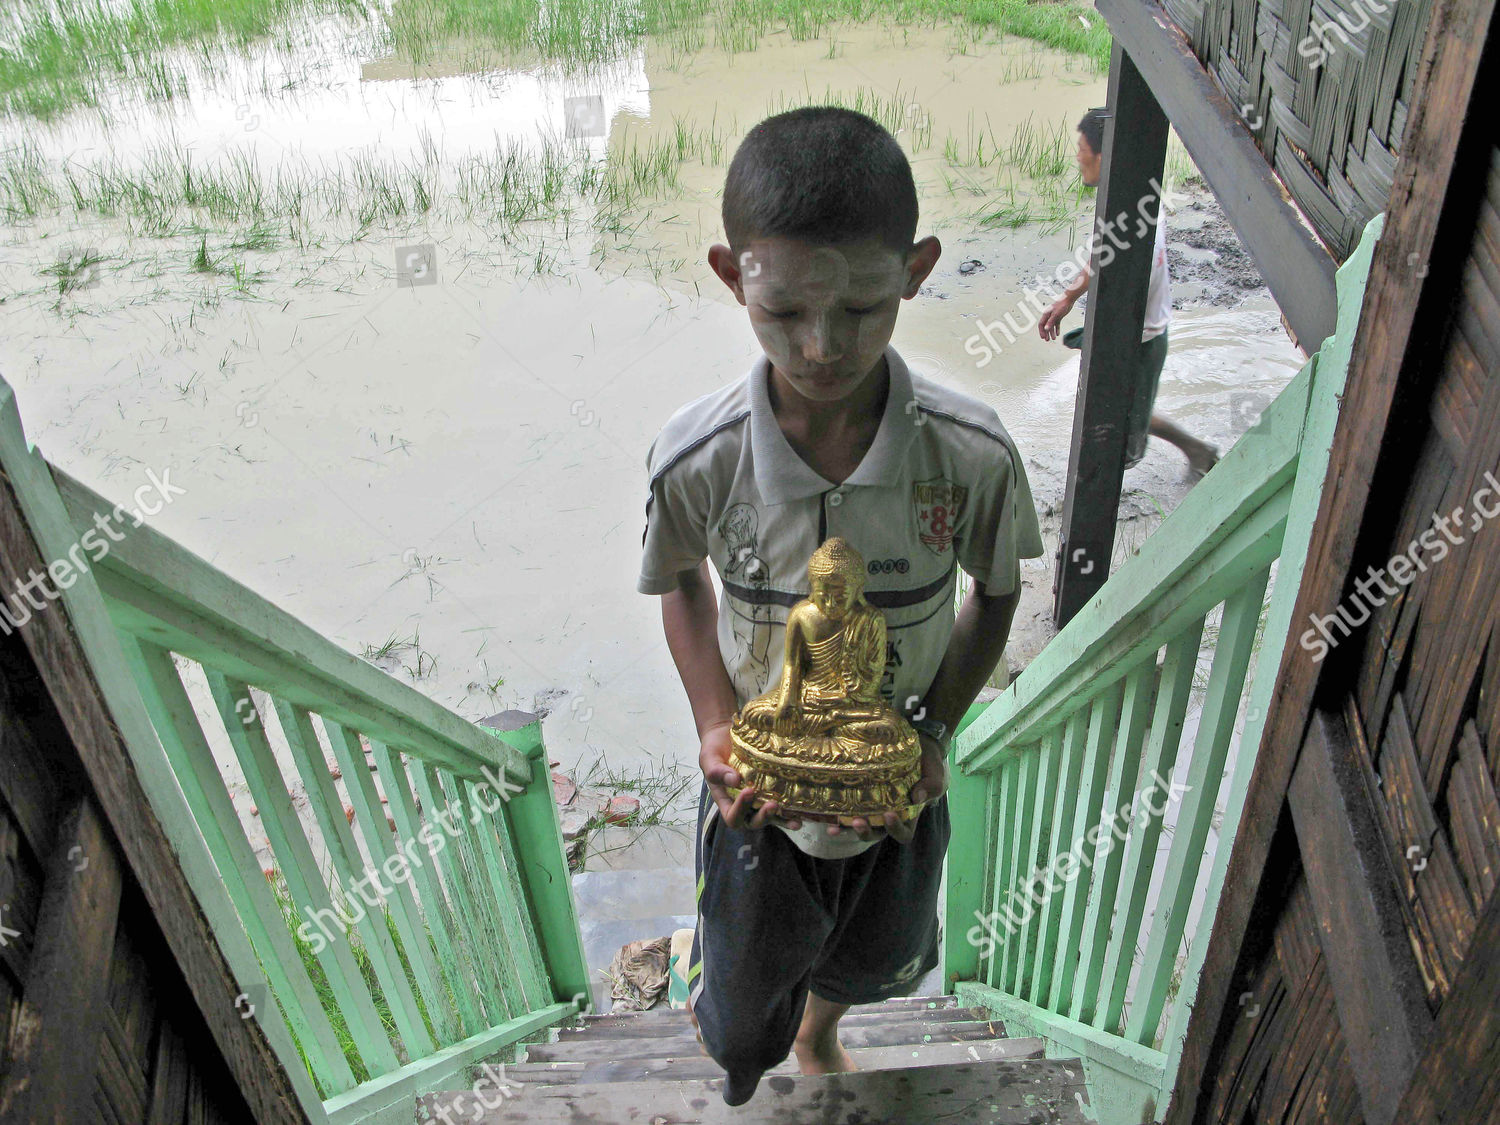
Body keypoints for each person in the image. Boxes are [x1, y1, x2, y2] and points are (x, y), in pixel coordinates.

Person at [636, 106, 1044, 1106]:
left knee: (875, 952)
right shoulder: (699, 459)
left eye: (863, 307)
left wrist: (934, 728)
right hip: (762, 786)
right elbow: (682, 581)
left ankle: (820, 1035)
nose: (823, 346)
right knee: (740, 1009)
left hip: (890, 772)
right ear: (734, 276)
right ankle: (742, 1051)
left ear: (917, 269)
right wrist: (717, 723)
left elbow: (996, 593)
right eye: (784, 314)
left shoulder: (972, 456)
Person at [1038, 107, 1219, 477]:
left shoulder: (1139, 232)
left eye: (1081, 148)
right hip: (1133, 336)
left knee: (1124, 438)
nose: (1077, 156)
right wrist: (1069, 297)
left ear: (1103, 157)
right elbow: (1101, 258)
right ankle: (1197, 450)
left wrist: (1106, 343)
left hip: (1140, 342)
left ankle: (1192, 453)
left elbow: (1133, 284)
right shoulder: (1128, 201)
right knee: (1124, 413)